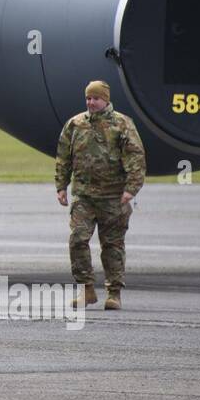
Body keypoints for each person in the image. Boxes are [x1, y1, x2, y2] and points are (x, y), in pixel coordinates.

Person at [54, 80, 145, 310]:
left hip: (114, 197)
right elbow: (64, 157)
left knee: (112, 245)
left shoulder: (122, 124)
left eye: (95, 98)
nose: (91, 102)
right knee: (77, 240)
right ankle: (86, 288)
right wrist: (61, 186)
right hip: (83, 197)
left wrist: (131, 189)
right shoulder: (75, 125)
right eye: (88, 98)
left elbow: (136, 158)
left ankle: (114, 293)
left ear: (106, 99)